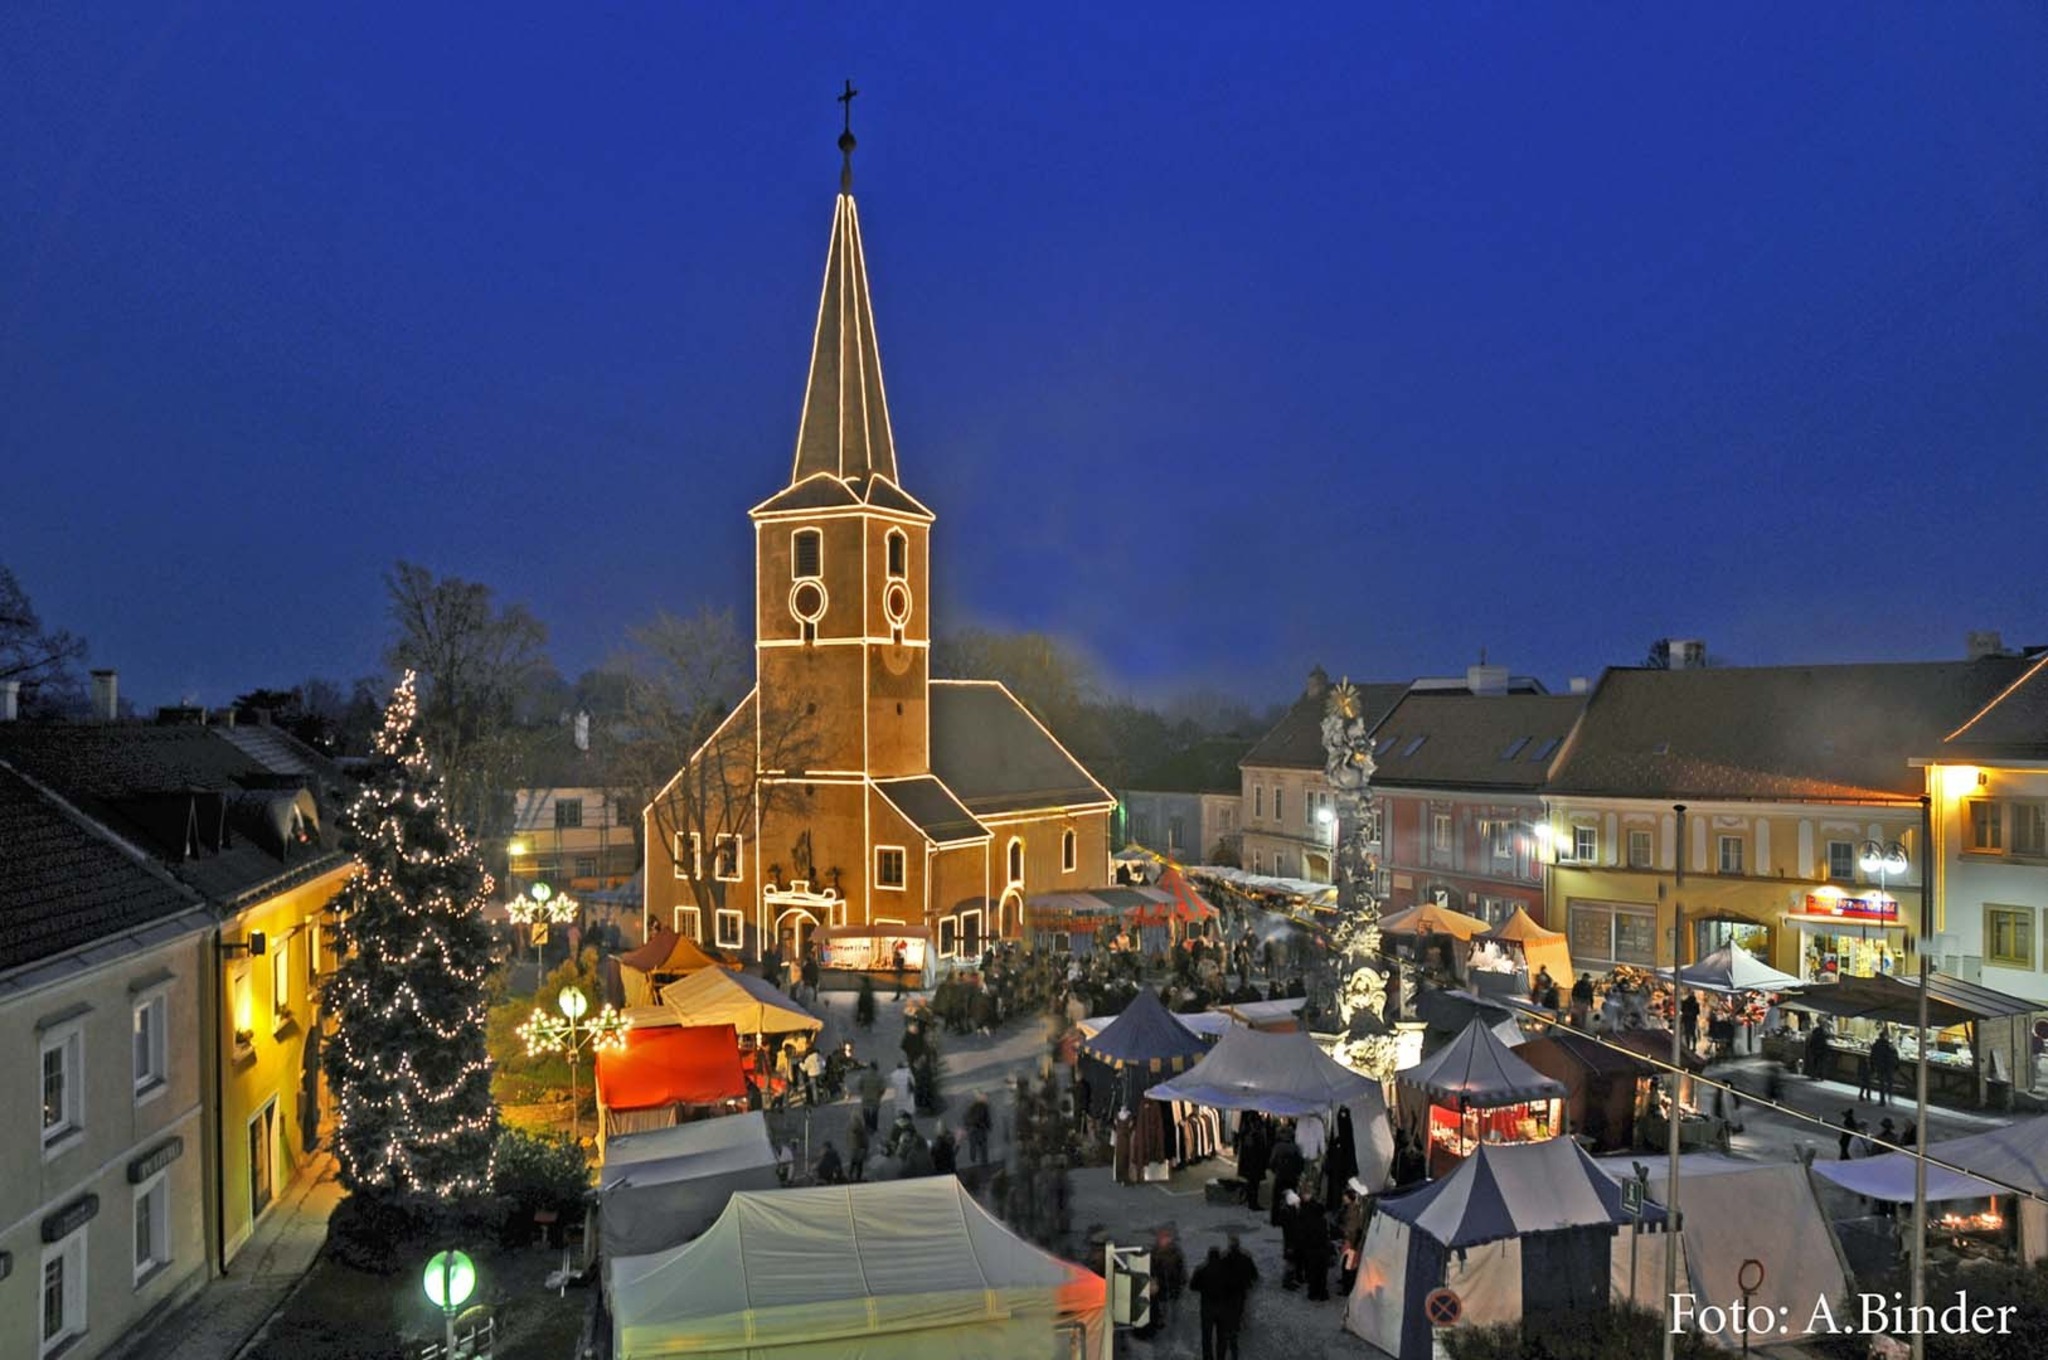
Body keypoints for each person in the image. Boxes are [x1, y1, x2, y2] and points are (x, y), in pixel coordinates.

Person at [1190, 1246, 1228, 1360]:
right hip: (1223, 1307)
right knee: (1222, 1337)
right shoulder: (1226, 1271)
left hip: (1207, 1307)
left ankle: (1207, 1358)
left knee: (1207, 1337)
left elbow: (1192, 1286)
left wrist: (1203, 1288)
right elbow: (1232, 1288)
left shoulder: (1201, 1269)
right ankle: (1221, 1357)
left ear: (1208, 1256)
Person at [1268, 1123, 1305, 1228]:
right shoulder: (1295, 1147)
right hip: (1292, 1177)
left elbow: (1272, 1162)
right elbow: (1300, 1163)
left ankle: (1275, 1220)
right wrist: (1297, 1173)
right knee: (1292, 1198)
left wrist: (1275, 1170)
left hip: (1280, 1175)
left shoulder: (1277, 1147)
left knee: (1276, 1198)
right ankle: (1290, 1219)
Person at [1236, 1113, 1270, 1212]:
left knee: (1252, 1181)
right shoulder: (1253, 1123)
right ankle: (1252, 1202)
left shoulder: (1247, 1122)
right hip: (1254, 1159)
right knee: (1254, 1181)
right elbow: (1256, 1139)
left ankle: (1250, 1199)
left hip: (1251, 1158)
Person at [1871, 1028, 1900, 1107]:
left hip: (1880, 1066)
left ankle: (1882, 1100)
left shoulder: (1876, 1045)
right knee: (1890, 1083)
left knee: (1882, 1084)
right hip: (1889, 1067)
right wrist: (1896, 1067)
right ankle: (1890, 1099)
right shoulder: (1890, 1046)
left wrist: (1873, 1067)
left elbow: (1872, 1056)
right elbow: (1896, 1056)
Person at [965, 1091, 993, 1165]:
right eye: (985, 1097)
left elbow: (967, 1117)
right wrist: (988, 1126)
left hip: (972, 1129)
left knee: (974, 1145)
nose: (986, 1099)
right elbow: (987, 1118)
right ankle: (983, 1161)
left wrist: (967, 1127)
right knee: (982, 1146)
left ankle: (973, 1160)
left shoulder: (971, 1106)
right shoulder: (984, 1107)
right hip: (980, 1129)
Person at [858, 1061, 885, 1132]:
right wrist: (880, 1095)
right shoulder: (879, 1076)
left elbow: (860, 1086)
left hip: (866, 1096)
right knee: (874, 1112)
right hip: (875, 1097)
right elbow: (882, 1088)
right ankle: (874, 1127)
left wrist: (863, 1092)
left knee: (866, 1111)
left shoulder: (864, 1076)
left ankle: (867, 1125)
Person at [847, 1112, 870, 1182]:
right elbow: (865, 1139)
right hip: (860, 1148)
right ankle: (857, 1177)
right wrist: (866, 1148)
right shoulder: (861, 1128)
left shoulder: (851, 1127)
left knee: (854, 1163)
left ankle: (850, 1176)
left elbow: (848, 1138)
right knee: (859, 1164)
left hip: (855, 1148)